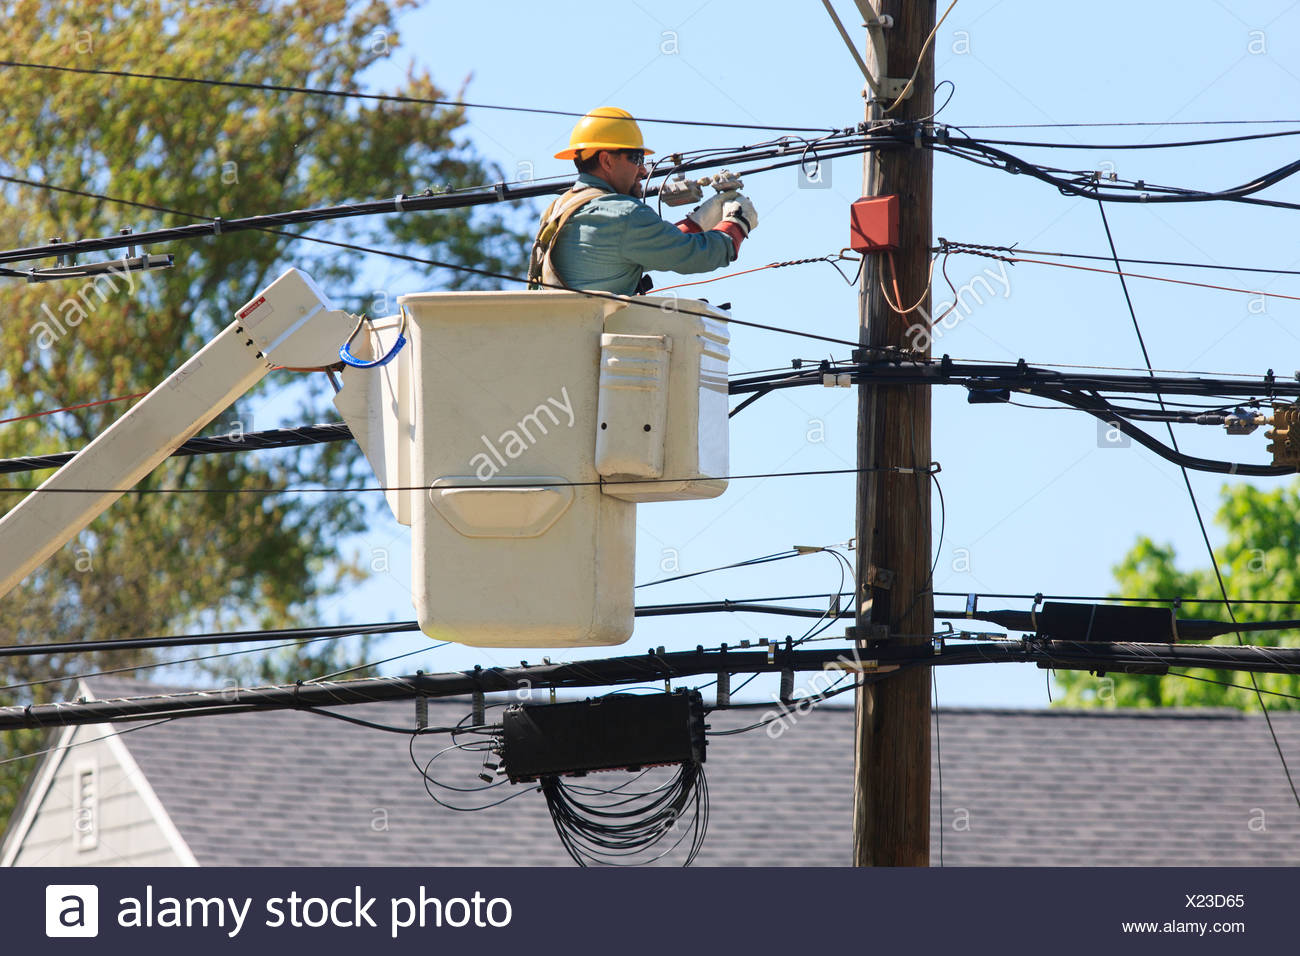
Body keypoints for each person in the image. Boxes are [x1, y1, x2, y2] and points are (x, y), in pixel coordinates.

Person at [529, 106, 758, 295]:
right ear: (607, 161)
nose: (642, 171)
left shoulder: (560, 208)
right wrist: (738, 223)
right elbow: (699, 256)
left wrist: (698, 222)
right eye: (636, 158)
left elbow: (651, 245)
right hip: (595, 344)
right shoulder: (624, 214)